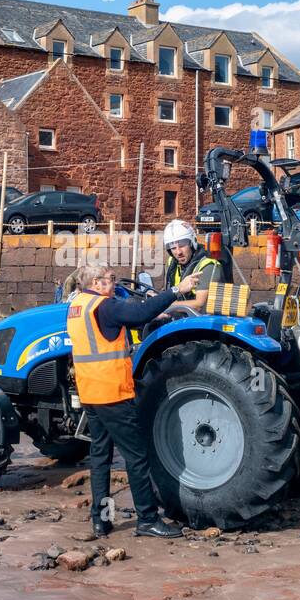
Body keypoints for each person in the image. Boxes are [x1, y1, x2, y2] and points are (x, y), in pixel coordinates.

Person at [68, 262, 199, 539]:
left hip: (90, 393)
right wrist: (177, 290)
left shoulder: (77, 305)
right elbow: (141, 314)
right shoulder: (105, 306)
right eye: (109, 279)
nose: (113, 283)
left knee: (100, 457)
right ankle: (147, 519)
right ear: (96, 282)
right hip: (112, 393)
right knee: (136, 457)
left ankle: (101, 520)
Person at [161, 219, 226, 313]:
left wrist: (163, 305)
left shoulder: (207, 266)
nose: (178, 252)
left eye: (182, 245)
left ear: (192, 243)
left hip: (202, 321)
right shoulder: (172, 262)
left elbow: (199, 305)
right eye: (173, 248)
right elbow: (167, 290)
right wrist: (156, 299)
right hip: (180, 317)